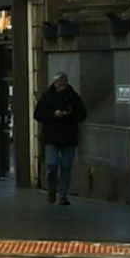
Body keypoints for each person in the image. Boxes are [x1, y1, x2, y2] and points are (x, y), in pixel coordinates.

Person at [37, 74, 87, 206]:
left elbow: (82, 115)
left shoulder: (73, 97)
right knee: (52, 164)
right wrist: (53, 115)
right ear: (54, 84)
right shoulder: (47, 96)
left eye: (62, 84)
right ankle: (52, 188)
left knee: (66, 166)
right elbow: (38, 114)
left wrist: (71, 114)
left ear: (66, 83)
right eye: (58, 84)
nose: (60, 86)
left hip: (69, 136)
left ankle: (63, 194)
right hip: (51, 137)